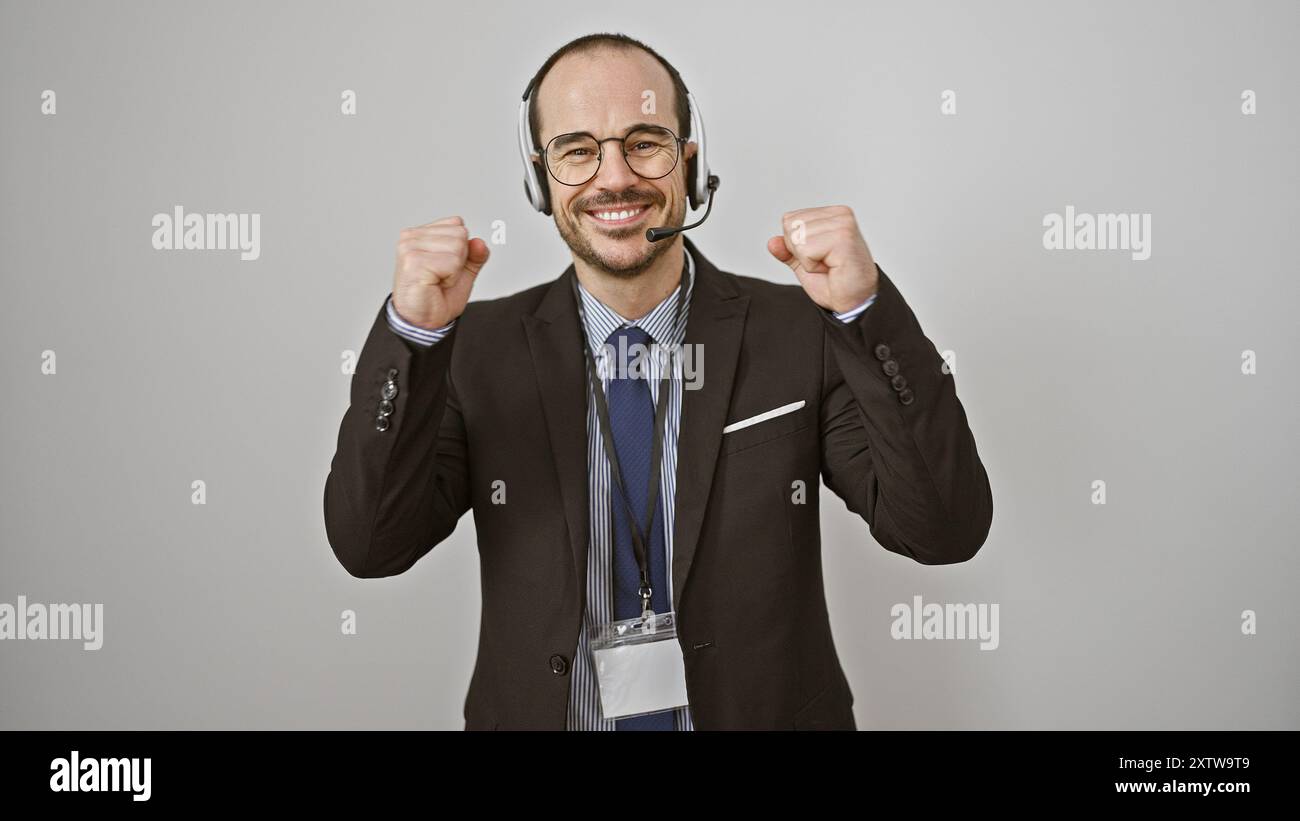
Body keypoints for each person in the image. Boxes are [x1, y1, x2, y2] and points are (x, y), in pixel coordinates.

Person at [323, 32, 993, 731]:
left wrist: (863, 310)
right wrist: (414, 335)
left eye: (644, 142)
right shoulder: (475, 351)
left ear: (690, 165)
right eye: (578, 151)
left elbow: (944, 528)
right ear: (540, 181)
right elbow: (372, 544)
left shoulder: (797, 330)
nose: (615, 178)